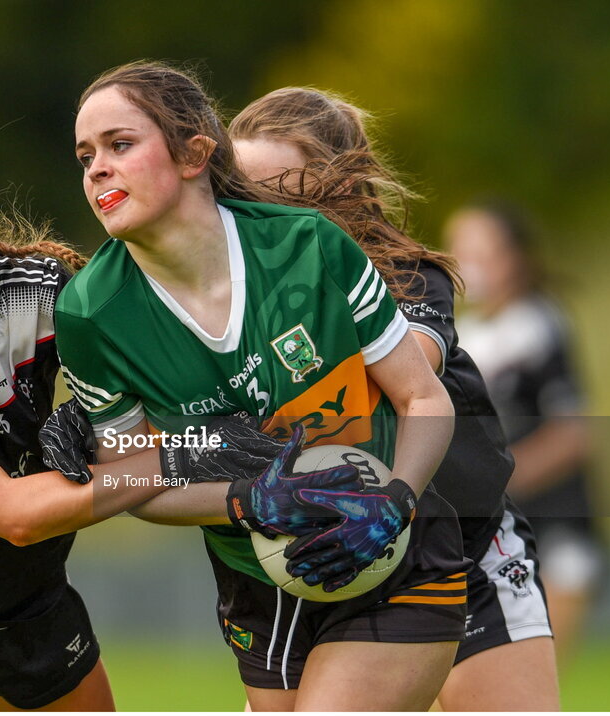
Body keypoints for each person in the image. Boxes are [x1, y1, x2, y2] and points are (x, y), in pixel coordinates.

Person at [0, 139, 320, 711]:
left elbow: (145, 420)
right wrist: (192, 454)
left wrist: (97, 419)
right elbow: (13, 516)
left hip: (22, 596)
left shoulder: (47, 294)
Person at [55, 61, 470, 712]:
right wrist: (247, 500)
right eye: (85, 156)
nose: (96, 169)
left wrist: (395, 498)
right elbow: (132, 481)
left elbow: (424, 399)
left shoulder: (309, 247)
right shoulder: (88, 314)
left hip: (399, 557)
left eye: (120, 144)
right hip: (258, 584)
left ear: (195, 154)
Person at [227, 87, 560, 710]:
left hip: (465, 549)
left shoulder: (406, 276)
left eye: (281, 197)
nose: (259, 221)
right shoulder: (228, 304)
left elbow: (399, 381)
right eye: (241, 199)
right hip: (333, 575)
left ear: (343, 193)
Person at [444, 199, 604, 668]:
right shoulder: (459, 335)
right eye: (459, 249)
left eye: (481, 249)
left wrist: (494, 478)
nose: (467, 262)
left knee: (533, 672)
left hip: (555, 524)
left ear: (514, 257)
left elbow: (572, 435)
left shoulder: (540, 326)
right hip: (489, 531)